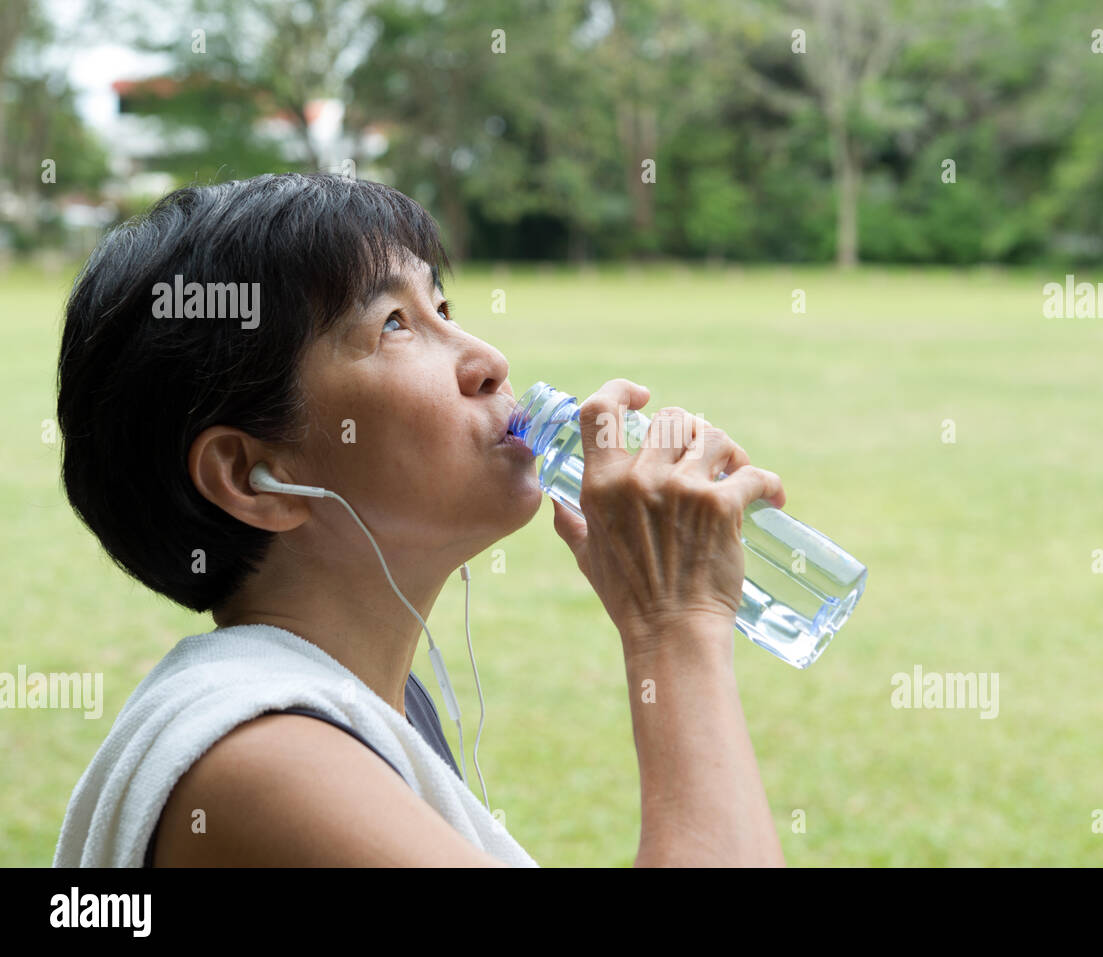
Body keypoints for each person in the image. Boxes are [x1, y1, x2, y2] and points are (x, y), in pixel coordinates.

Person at [52, 172, 787, 867]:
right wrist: (676, 626)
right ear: (254, 477)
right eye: (395, 324)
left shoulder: (380, 708)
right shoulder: (262, 760)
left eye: (444, 309)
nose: (489, 361)